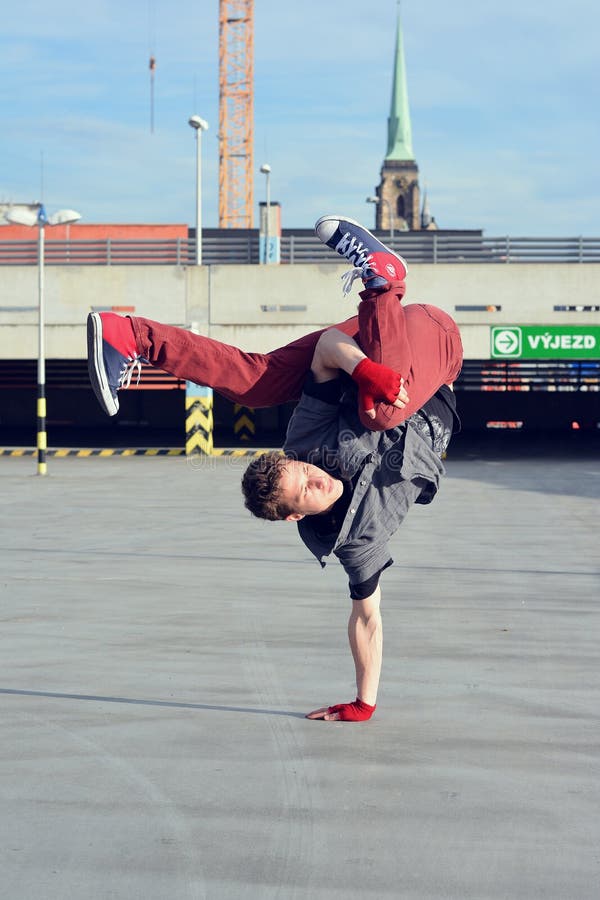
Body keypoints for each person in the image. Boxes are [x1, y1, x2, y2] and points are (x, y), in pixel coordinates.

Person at [87, 215, 463, 722]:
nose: (317, 476)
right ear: (295, 516)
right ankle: (128, 334)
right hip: (437, 354)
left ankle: (383, 279)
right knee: (327, 396)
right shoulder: (355, 543)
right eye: (307, 487)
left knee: (290, 390)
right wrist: (363, 703)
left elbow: (331, 347)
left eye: (303, 470)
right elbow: (367, 617)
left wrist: (364, 369)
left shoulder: (304, 444)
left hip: (396, 334)